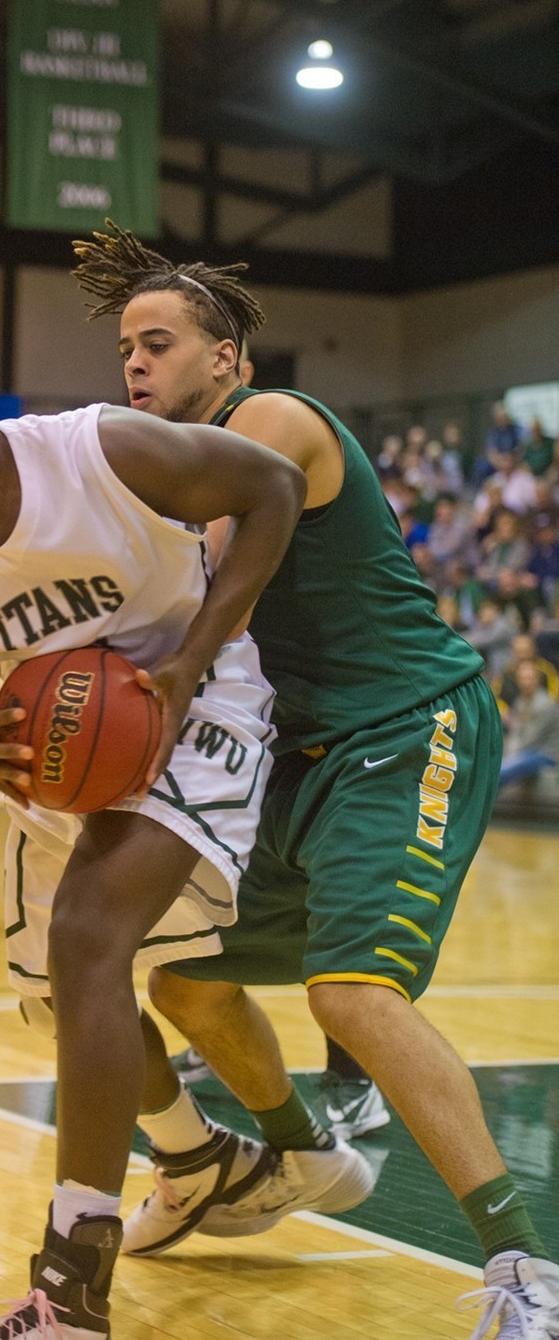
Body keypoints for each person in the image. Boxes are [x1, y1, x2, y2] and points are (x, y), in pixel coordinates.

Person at [61, 223, 556, 1333]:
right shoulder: (174, 471)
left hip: (409, 724)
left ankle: (526, 1268)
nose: (134, 365)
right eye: (125, 349)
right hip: (306, 757)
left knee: (350, 991)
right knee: (181, 975)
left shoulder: (269, 420)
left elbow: (189, 567)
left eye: (158, 342)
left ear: (226, 355)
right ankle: (293, 1155)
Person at [0, 308, 322, 1340]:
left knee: (88, 937)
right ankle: (196, 1160)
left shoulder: (98, 450)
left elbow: (270, 487)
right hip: (52, 764)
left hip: (190, 706)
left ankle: (68, 1299)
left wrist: (190, 659)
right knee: (60, 998)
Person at [496, 657, 559, 792]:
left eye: (530, 678)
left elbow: (531, 739)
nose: (527, 682)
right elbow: (516, 732)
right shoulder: (520, 702)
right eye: (523, 678)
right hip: (525, 752)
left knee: (501, 772)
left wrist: (510, 756)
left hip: (544, 754)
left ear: (537, 680)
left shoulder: (545, 704)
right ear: (518, 680)